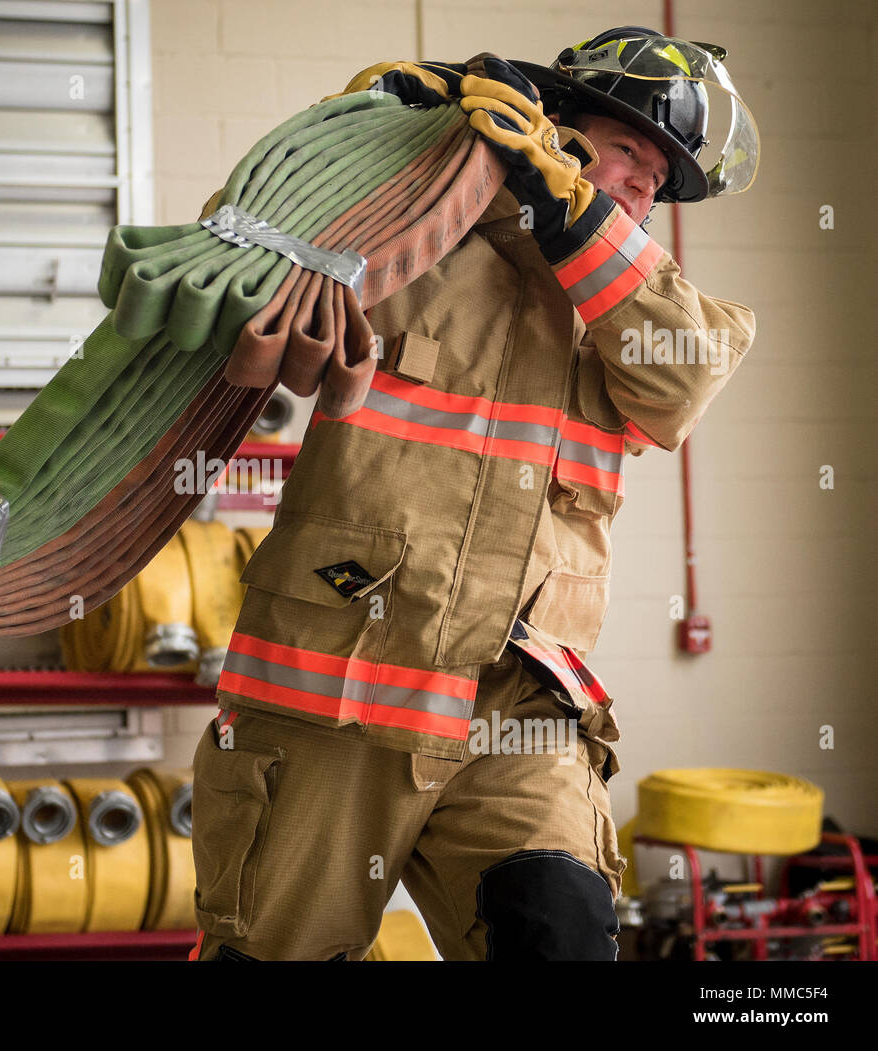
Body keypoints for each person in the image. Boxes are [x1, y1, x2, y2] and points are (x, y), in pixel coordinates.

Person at [189, 28, 758, 960]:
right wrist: (373, 131)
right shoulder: (420, 236)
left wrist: (577, 219)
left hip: (520, 710)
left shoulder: (634, 306)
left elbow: (683, 385)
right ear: (559, 128)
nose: (642, 187)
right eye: (628, 153)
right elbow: (241, 249)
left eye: (660, 179)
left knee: (560, 933)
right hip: (338, 689)